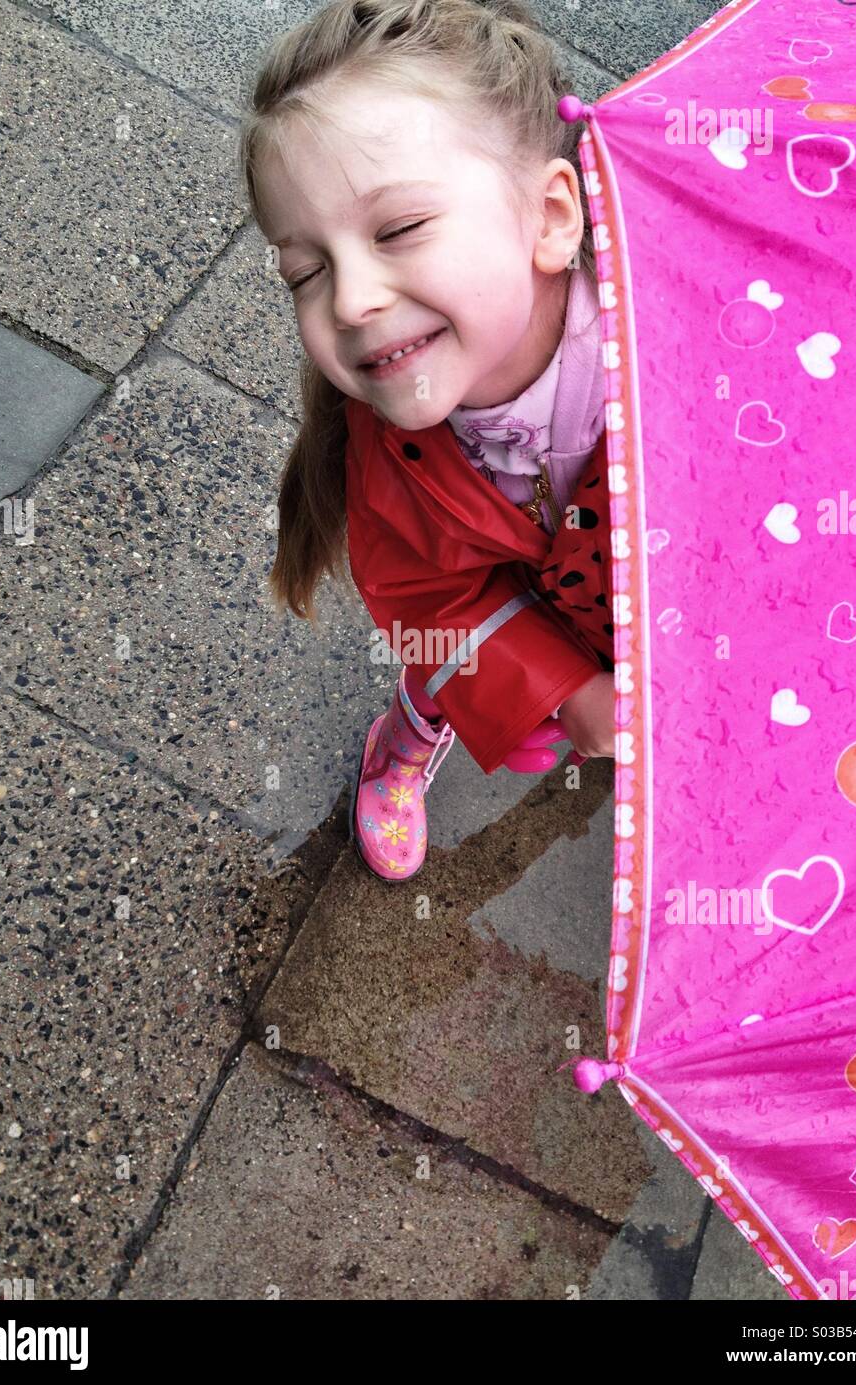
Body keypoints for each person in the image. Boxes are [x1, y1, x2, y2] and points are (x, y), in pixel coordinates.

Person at [239, 0, 615, 881]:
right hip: (502, 624)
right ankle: (402, 746)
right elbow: (430, 598)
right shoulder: (389, 449)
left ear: (552, 218)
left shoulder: (684, 362)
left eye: (399, 229)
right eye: (307, 270)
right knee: (435, 680)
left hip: (642, 628)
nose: (351, 300)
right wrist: (558, 688)